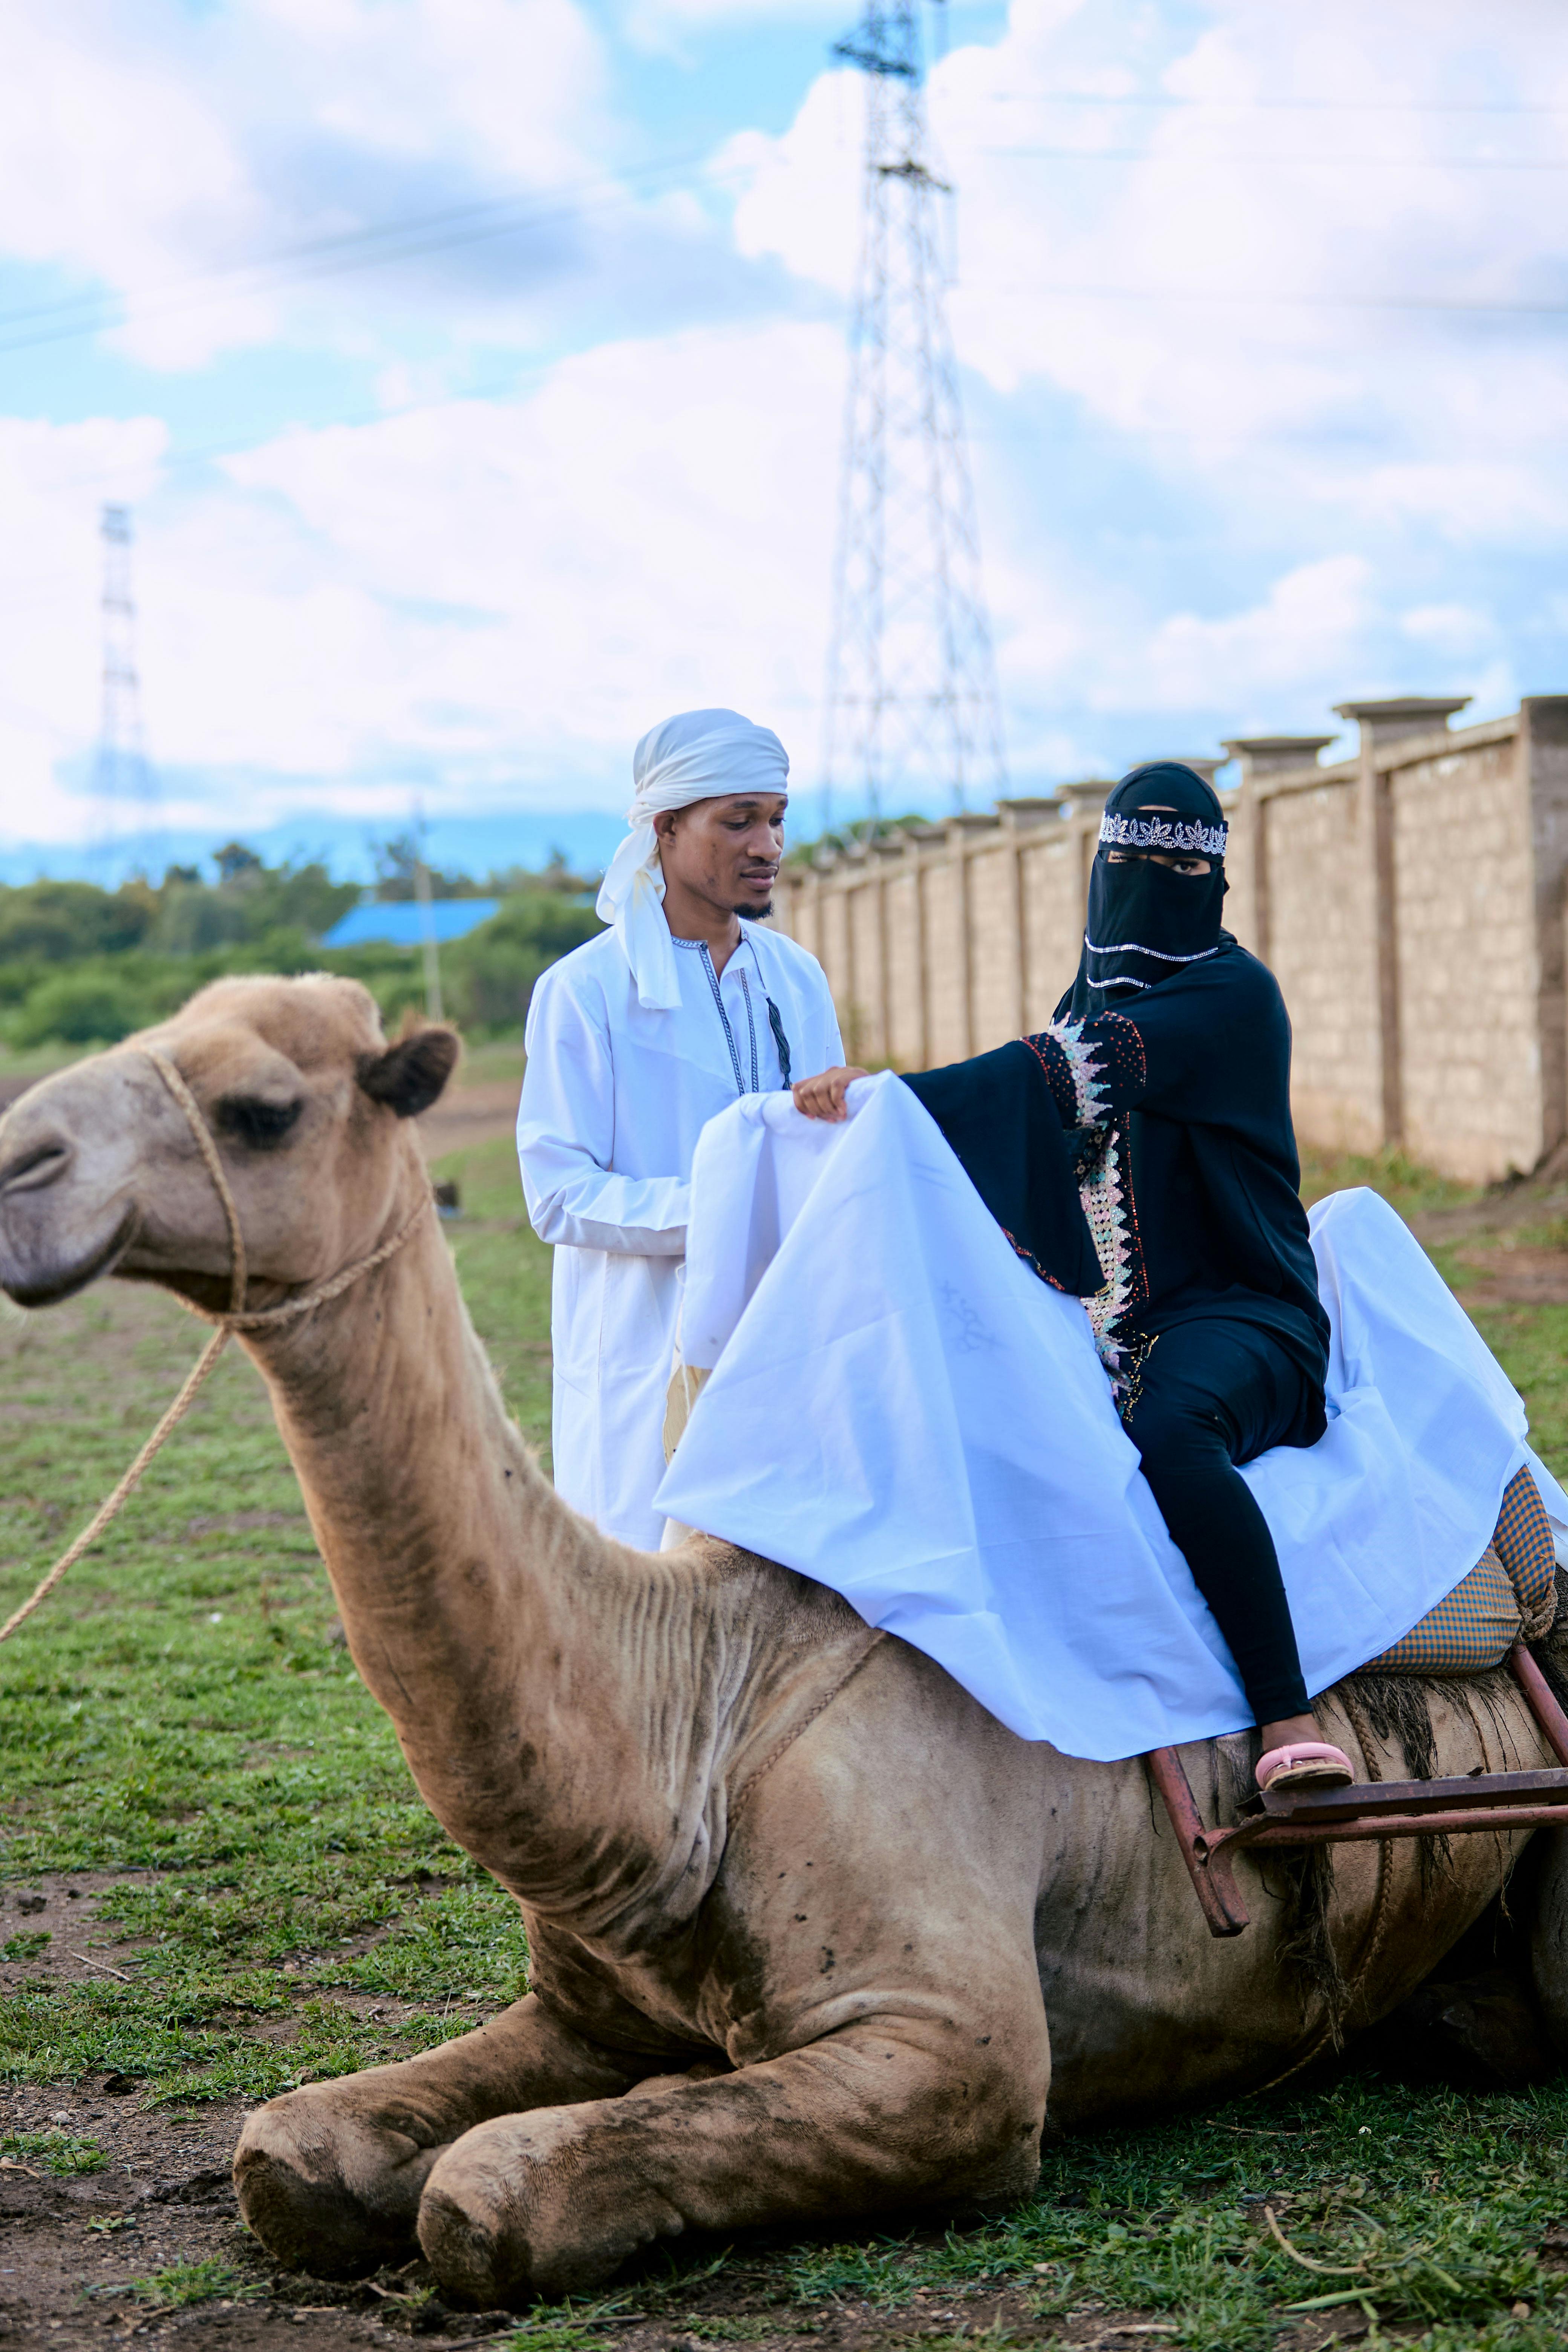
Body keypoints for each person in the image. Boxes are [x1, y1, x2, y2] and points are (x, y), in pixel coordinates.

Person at [793, 760, 1353, 1793]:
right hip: (1107, 1323)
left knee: (1171, 1439)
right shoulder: (1081, 995)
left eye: (1170, 869)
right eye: (1125, 861)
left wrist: (888, 1100)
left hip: (1242, 1315)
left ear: (1215, 886)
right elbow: (1035, 1133)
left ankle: (1287, 1714)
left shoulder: (1231, 996)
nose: (1144, 885)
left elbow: (1054, 1077)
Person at [518, 708, 844, 1550]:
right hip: (643, 1351)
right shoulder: (584, 991)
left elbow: (822, 1161)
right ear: (665, 828)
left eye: (776, 819)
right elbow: (557, 1195)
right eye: (738, 821)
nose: (767, 845)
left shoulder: (793, 979)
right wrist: (720, 1214)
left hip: (778, 1340)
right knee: (644, 1607)